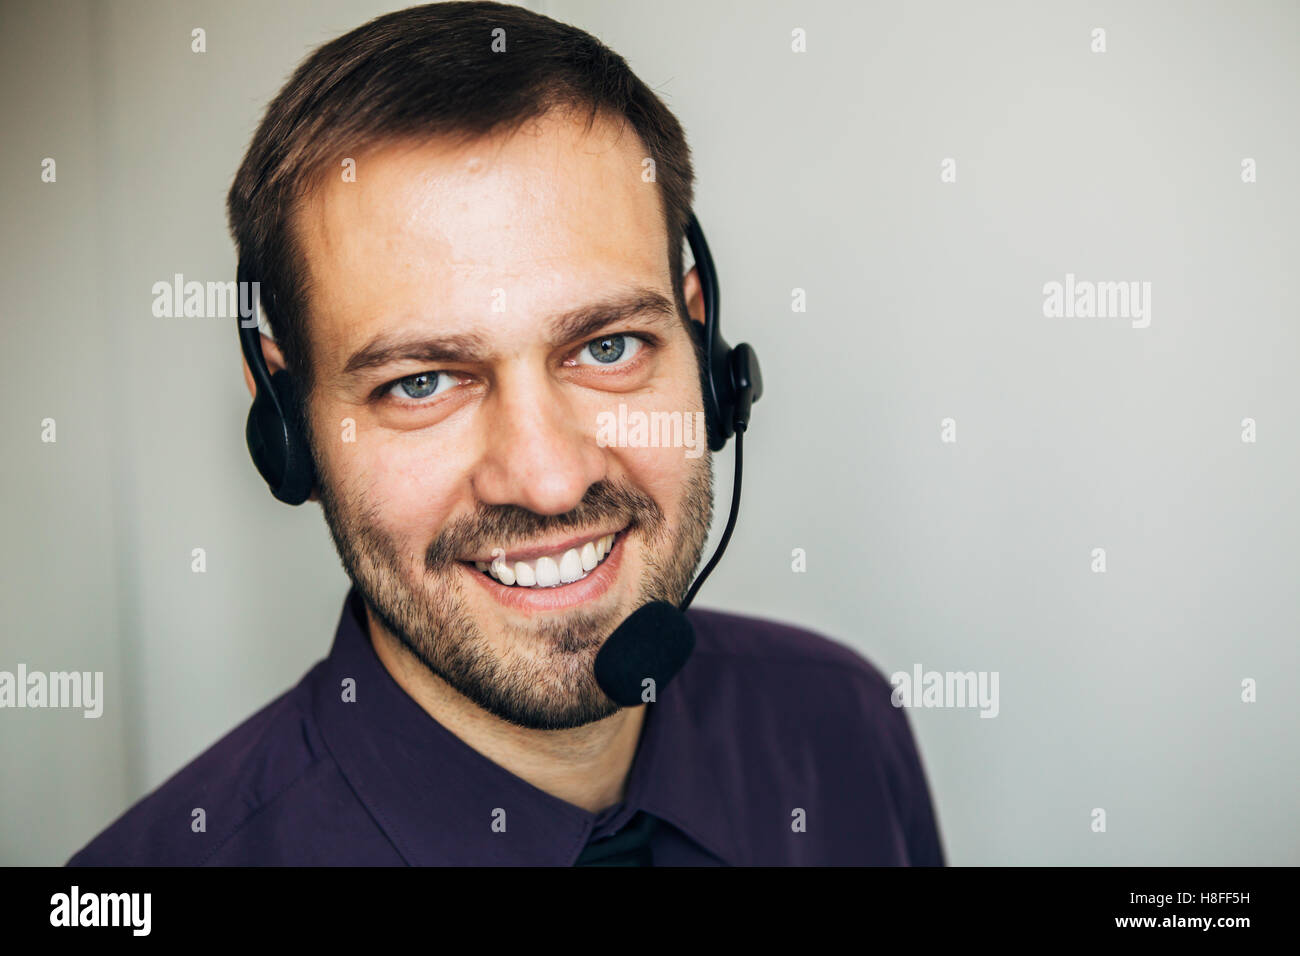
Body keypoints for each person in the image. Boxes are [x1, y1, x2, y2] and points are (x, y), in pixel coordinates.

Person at [68, 0, 944, 866]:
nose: (549, 479)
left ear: (704, 353)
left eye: (608, 346)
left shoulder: (845, 726)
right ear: (292, 427)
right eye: (422, 382)